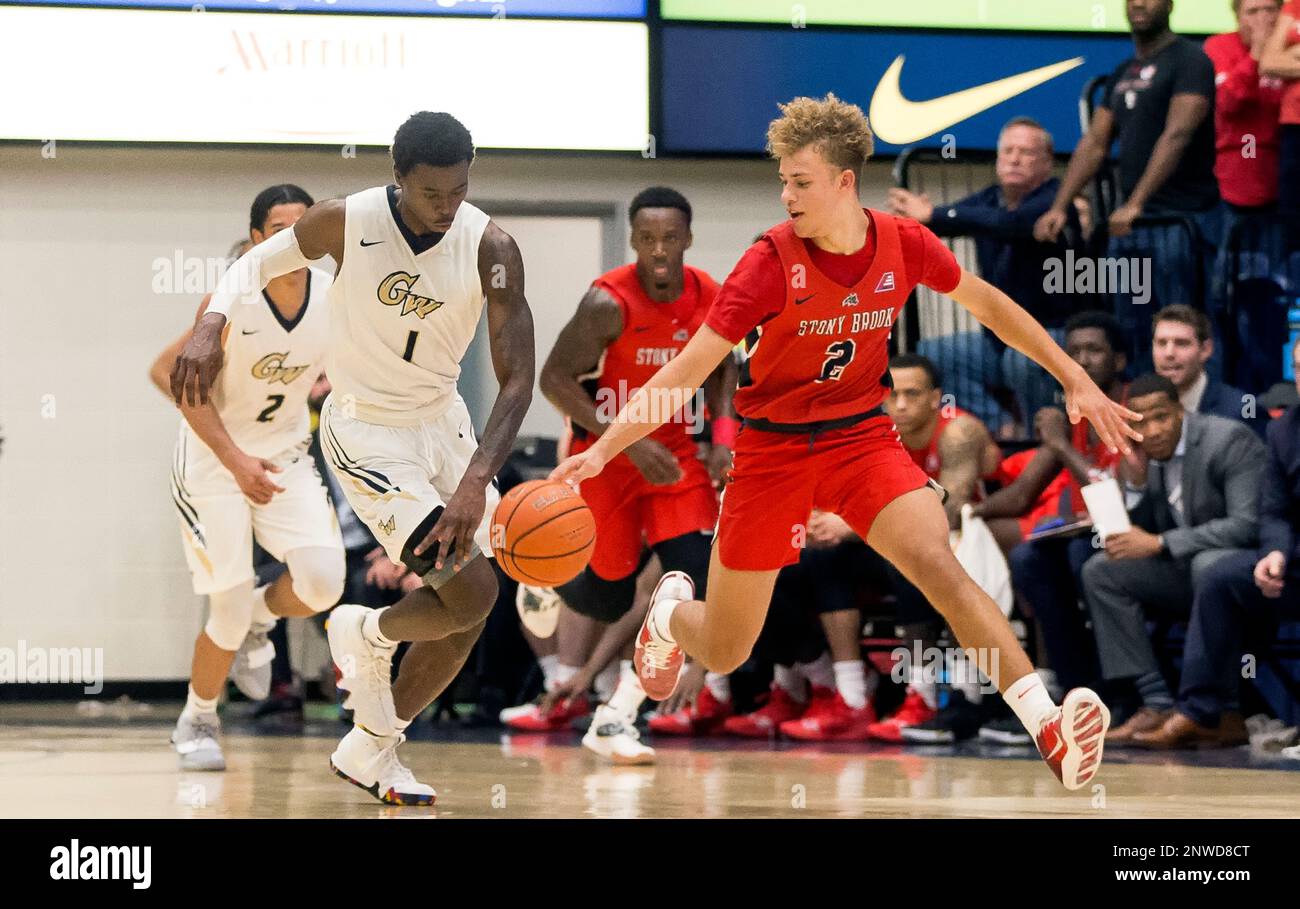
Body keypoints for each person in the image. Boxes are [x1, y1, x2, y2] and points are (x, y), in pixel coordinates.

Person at [552, 93, 1141, 791]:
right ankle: (672, 615)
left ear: (842, 182)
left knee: (939, 565)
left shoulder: (903, 242)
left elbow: (990, 305)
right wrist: (606, 444)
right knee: (728, 646)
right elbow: (686, 372)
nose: (785, 194)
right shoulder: (767, 260)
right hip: (770, 451)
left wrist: (1073, 376)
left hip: (860, 436)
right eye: (781, 180)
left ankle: (1046, 723)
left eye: (799, 181)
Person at [169, 112, 536, 805]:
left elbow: (518, 376)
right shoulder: (346, 220)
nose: (446, 206)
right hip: (367, 431)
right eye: (432, 193)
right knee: (472, 590)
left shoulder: (491, 245)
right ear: (398, 181)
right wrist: (213, 320)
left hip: (443, 425)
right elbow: (257, 262)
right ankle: (366, 631)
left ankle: (372, 744)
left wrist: (474, 483)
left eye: (458, 189)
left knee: (473, 608)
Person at [514, 186, 735, 762]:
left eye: (670, 238)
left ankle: (620, 713)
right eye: (646, 239)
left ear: (687, 238)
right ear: (633, 240)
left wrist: (721, 437)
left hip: (676, 459)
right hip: (609, 460)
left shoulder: (711, 297)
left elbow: (724, 368)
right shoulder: (606, 303)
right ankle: (547, 578)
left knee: (693, 578)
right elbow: (555, 380)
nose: (659, 250)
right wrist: (628, 444)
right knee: (608, 600)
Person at [148, 185, 346, 771]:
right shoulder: (232, 299)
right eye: (280, 227)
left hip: (283, 453)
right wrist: (236, 460)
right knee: (225, 609)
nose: (294, 236)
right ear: (258, 239)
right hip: (213, 463)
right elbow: (171, 375)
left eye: (304, 225)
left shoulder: (337, 296)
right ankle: (198, 717)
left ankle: (265, 615)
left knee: (322, 583)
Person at [1036, 0, 1222, 371]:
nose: (1138, 3)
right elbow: (1094, 143)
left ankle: (1190, 421)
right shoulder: (1124, 71)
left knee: (1180, 331)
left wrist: (1135, 202)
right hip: (1130, 229)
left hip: (1181, 223)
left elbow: (1178, 134)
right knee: (1131, 332)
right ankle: (1138, 414)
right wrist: (1059, 205)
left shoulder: (1191, 61)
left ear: (1170, 4)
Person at [1081, 373, 1266, 745]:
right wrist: (1134, 485)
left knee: (1208, 566)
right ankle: (1156, 702)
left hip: (1244, 575)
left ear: (1181, 412)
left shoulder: (1227, 440)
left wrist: (1162, 542)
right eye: (1140, 422)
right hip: (1187, 571)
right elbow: (1139, 535)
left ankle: (1224, 711)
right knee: (1101, 571)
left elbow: (1247, 526)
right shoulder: (1142, 457)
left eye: (1161, 417)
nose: (1151, 431)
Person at [1135, 340, 1300, 747]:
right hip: (1294, 564)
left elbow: (1243, 522)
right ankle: (1203, 711)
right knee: (1221, 574)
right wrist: (1276, 554)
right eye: (1298, 368)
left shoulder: (1230, 437)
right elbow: (1274, 513)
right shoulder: (1284, 431)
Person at [890, 118, 1081, 433]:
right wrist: (913, 220)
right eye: (1007, 151)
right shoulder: (989, 198)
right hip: (998, 337)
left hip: (1053, 334)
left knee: (1019, 360)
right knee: (931, 353)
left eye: (1026, 152)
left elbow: (1013, 223)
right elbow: (948, 221)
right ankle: (1003, 429)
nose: (1015, 159)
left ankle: (1038, 442)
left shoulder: (1055, 199)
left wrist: (936, 214)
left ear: (1047, 163)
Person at [1205, 0, 1285, 211]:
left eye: (1270, 10)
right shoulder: (1220, 46)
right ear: (1238, 17)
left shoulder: (1290, 49)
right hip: (1240, 154)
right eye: (1252, 12)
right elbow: (1229, 103)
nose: (1262, 19)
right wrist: (1257, 53)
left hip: (1285, 161)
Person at [1150, 304, 1263, 433]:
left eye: (1181, 343)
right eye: (1161, 343)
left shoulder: (1242, 409)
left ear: (1205, 350)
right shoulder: (1141, 410)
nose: (1169, 353)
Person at [1260, 0, 1300, 247]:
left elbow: (1281, 58)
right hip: (1294, 126)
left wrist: (1293, 53)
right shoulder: (1294, 4)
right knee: (1293, 217)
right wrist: (1283, 56)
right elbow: (1269, 62)